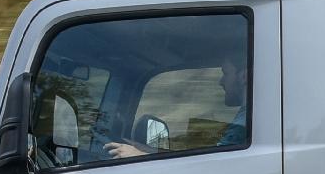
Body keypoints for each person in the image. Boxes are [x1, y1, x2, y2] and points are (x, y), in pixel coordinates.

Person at [105, 52, 247, 159]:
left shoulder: (244, 123)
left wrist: (138, 155)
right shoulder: (246, 117)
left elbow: (212, 167)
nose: (221, 82)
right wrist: (148, 151)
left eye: (226, 73)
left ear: (244, 77)